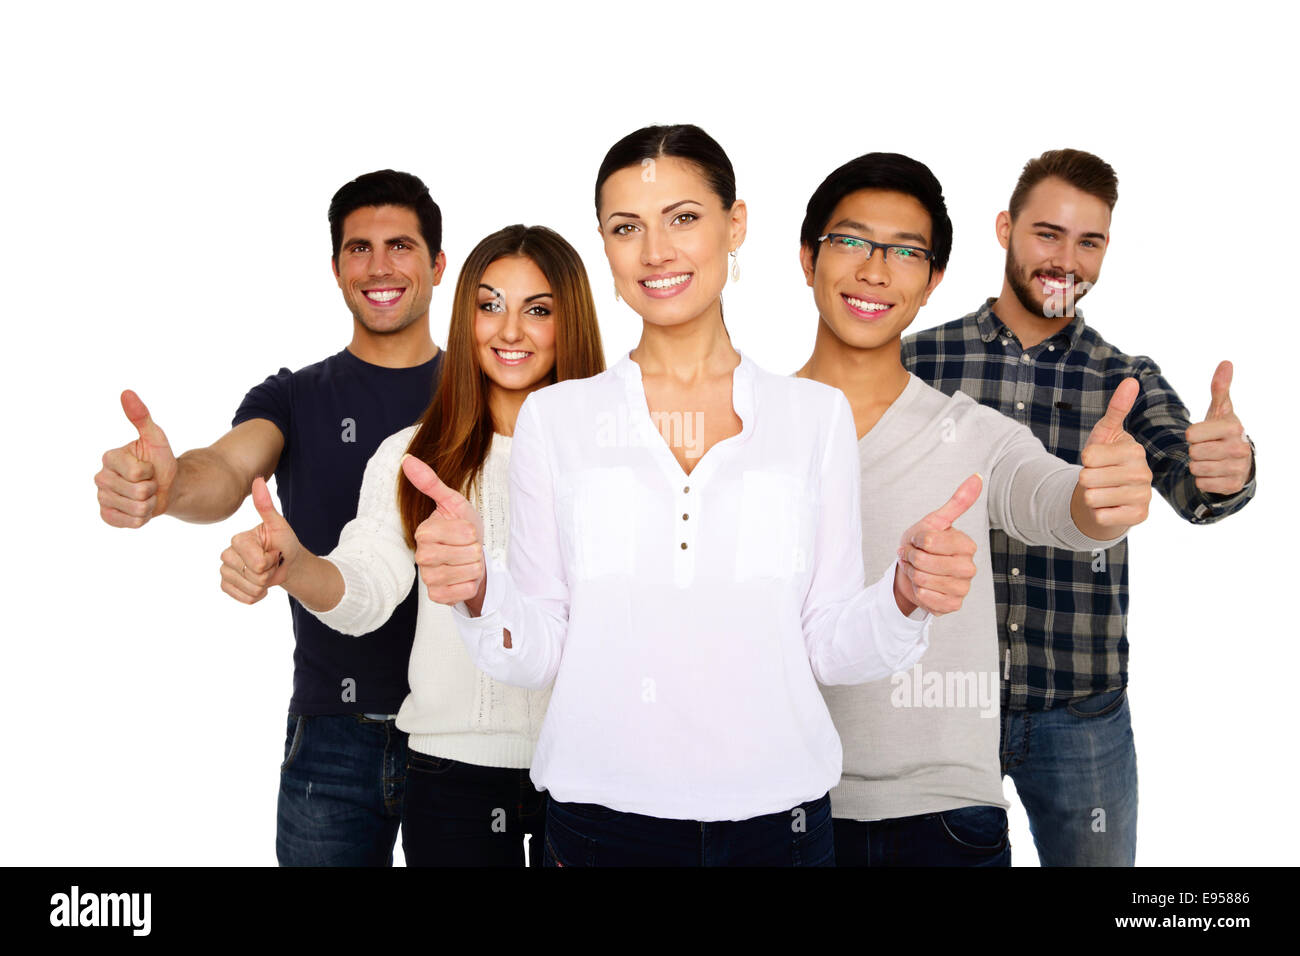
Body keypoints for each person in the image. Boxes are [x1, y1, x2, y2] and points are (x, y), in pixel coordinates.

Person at [404, 124, 983, 867]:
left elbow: (830, 645)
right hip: (598, 828)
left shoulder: (813, 419)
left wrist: (904, 595)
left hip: (782, 827)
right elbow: (540, 651)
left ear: (734, 225)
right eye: (626, 228)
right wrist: (481, 592)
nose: (655, 252)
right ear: (606, 248)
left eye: (683, 218)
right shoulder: (560, 420)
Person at [794, 152, 1153, 866]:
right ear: (808, 258)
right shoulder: (748, 429)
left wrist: (1100, 500)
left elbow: (1056, 502)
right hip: (787, 809)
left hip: (944, 822)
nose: (874, 270)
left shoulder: (974, 432)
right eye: (852, 241)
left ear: (931, 282)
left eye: (904, 252)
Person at [902, 149, 1257, 866]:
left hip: (1081, 714)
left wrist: (1228, 472)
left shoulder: (1126, 378)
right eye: (1047, 234)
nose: (1066, 260)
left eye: (1088, 241)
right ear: (1005, 228)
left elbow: (1197, 489)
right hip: (938, 710)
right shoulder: (920, 361)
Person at [219, 225, 606, 866]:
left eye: (538, 310)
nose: (509, 331)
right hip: (453, 779)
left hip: (593, 773)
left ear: (571, 323)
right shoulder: (413, 455)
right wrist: (298, 567)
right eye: (489, 306)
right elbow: (367, 586)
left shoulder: (619, 457)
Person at [94, 169, 448, 866]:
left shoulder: (486, 387)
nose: (379, 266)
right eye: (359, 248)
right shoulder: (294, 396)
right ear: (336, 268)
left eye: (401, 246)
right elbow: (225, 472)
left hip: (465, 736)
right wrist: (167, 489)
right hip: (332, 739)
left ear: (438, 265)